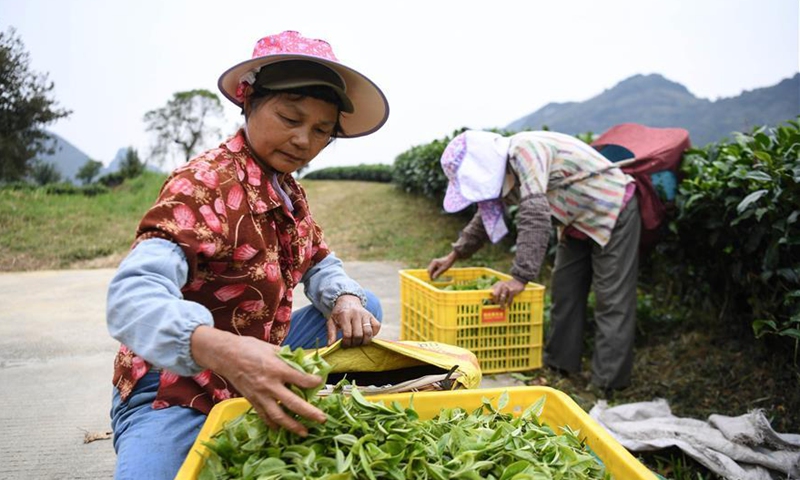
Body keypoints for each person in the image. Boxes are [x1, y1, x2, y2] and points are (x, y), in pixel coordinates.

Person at [106, 30, 390, 479]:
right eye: (290, 117)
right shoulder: (202, 185)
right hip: (176, 384)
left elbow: (318, 260)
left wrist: (344, 298)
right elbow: (131, 299)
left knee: (363, 308)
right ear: (249, 103)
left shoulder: (288, 191)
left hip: (258, 357)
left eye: (321, 131)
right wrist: (226, 353)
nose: (303, 140)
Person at [427, 129, 640, 395]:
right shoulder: (503, 172)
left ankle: (609, 384)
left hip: (611, 209)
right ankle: (560, 366)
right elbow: (487, 213)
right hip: (574, 220)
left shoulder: (525, 150)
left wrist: (520, 276)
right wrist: (455, 254)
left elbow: (535, 212)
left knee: (611, 299)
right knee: (565, 291)